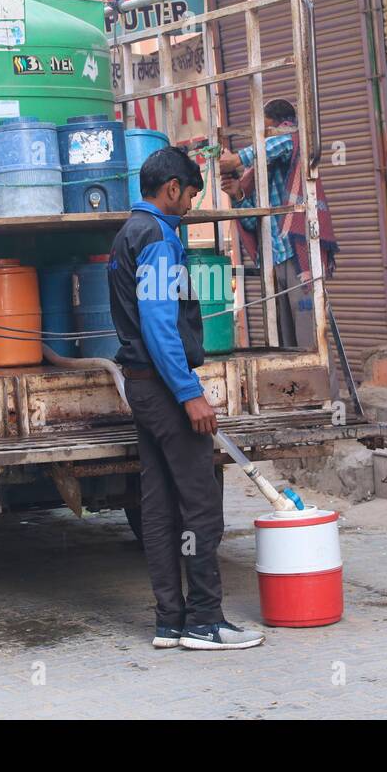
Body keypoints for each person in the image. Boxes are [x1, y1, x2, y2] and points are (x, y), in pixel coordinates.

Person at [108, 147, 265, 651]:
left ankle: (169, 624)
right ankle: (205, 621)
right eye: (192, 194)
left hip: (140, 383)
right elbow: (158, 323)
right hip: (162, 386)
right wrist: (189, 393)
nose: (192, 205)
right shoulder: (158, 237)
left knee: (158, 507)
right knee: (201, 504)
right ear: (172, 188)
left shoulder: (127, 233)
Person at [218, 98, 338, 350]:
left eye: (267, 130)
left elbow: (285, 141)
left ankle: (323, 391)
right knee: (283, 345)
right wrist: (239, 194)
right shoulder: (260, 172)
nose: (264, 137)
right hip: (272, 263)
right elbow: (251, 223)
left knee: (309, 344)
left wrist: (238, 159)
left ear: (283, 125)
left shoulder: (294, 142)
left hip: (297, 260)